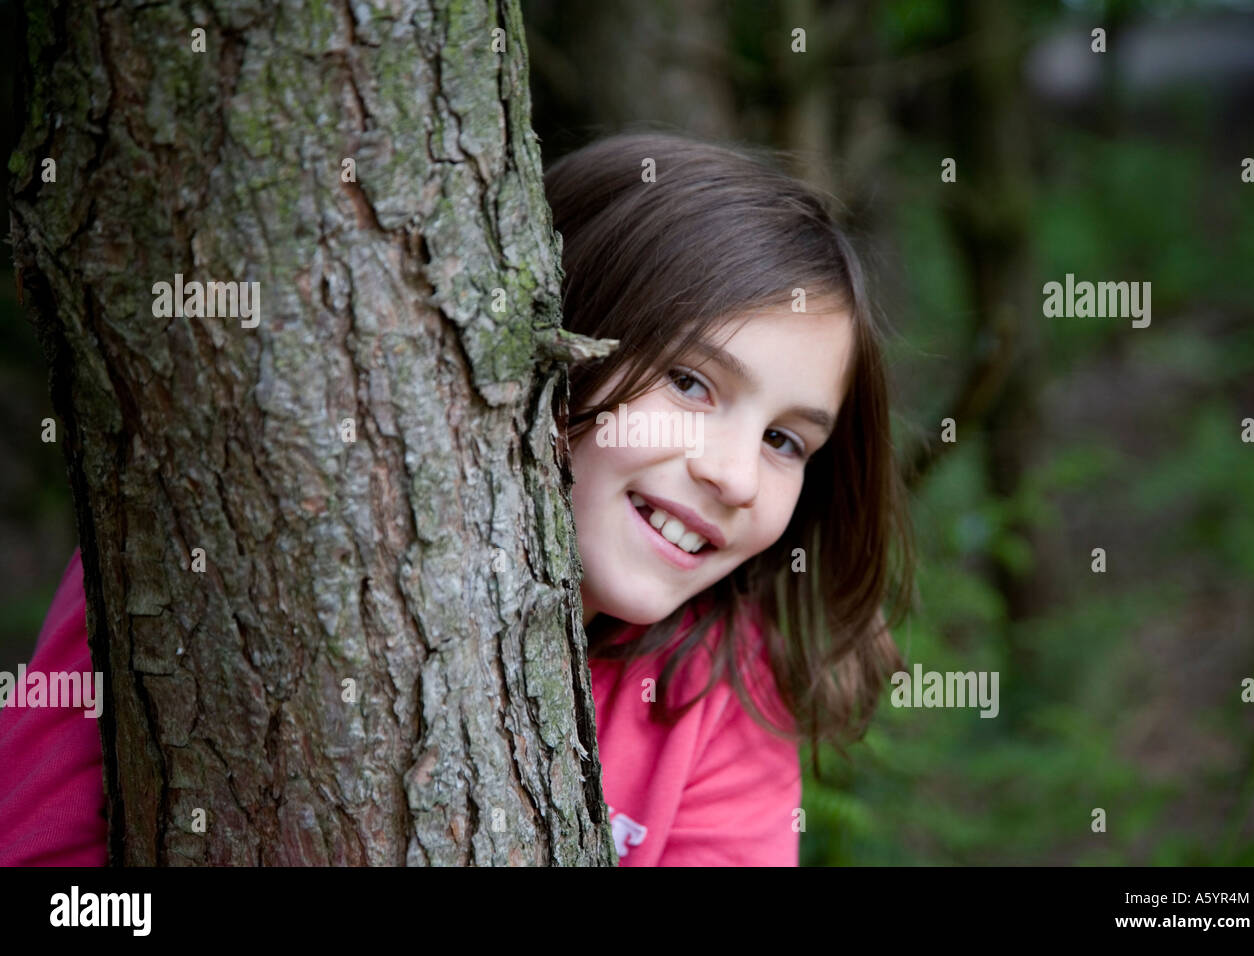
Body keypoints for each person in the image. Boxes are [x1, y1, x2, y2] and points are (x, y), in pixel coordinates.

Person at [0, 131, 914, 866]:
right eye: (689, 381)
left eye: (786, 440)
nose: (736, 475)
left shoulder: (725, 684)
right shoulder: (224, 535)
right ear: (549, 340)